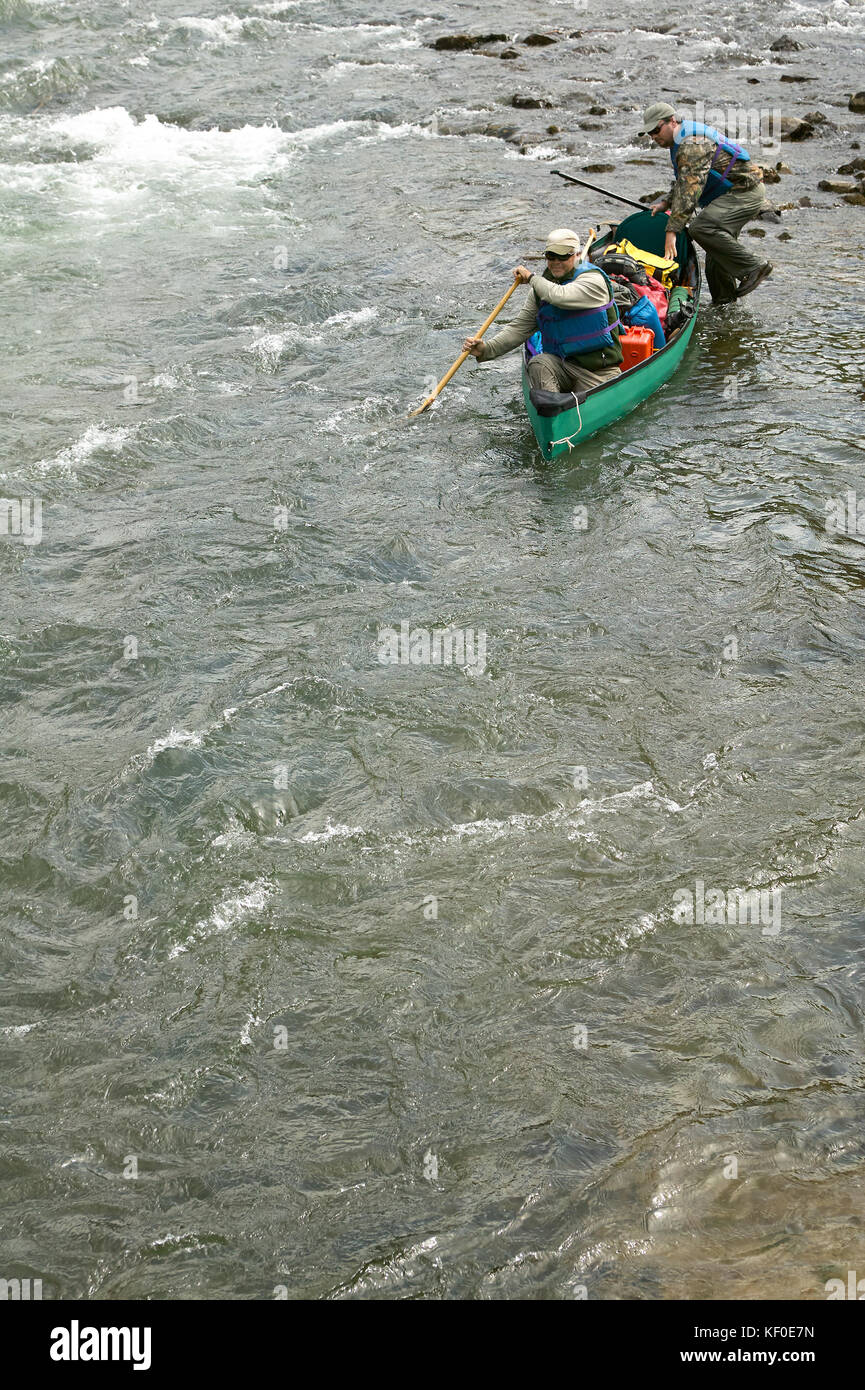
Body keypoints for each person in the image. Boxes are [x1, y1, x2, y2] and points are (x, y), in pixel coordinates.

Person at [639, 101, 771, 305]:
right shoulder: (680, 141)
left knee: (701, 228)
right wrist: (666, 203)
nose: (654, 137)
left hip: (744, 192)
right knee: (715, 255)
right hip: (728, 195)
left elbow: (690, 191)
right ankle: (725, 304)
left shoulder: (692, 144)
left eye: (656, 130)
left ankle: (754, 267)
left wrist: (672, 231)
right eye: (650, 134)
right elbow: (685, 181)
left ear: (672, 121)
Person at [463, 229, 622, 394]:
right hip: (562, 366)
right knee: (539, 363)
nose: (556, 262)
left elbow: (560, 296)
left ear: (577, 255)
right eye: (551, 257)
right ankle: (553, 407)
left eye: (563, 256)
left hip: (598, 372)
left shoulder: (593, 281)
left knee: (589, 391)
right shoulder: (542, 289)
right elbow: (519, 328)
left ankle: (569, 405)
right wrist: (486, 349)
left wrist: (531, 278)